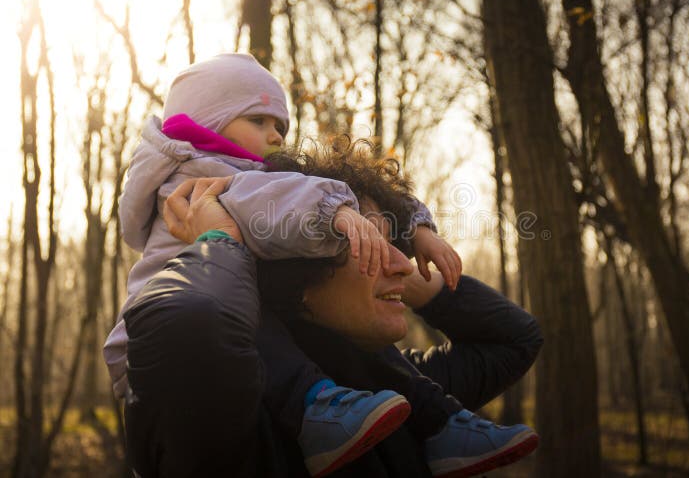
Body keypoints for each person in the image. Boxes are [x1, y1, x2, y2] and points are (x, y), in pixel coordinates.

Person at [104, 54, 532, 476]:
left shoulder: (385, 391)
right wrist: (220, 242)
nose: (275, 135)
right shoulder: (232, 405)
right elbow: (193, 326)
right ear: (299, 269)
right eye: (259, 121)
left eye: (281, 126)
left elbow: (518, 340)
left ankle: (441, 424)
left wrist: (410, 261)